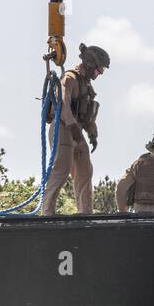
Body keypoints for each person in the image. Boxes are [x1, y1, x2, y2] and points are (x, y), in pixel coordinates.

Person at [40, 43, 110, 215]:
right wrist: (72, 127)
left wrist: (92, 134)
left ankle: (85, 213)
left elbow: (87, 115)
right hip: (63, 128)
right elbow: (62, 103)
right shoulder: (69, 79)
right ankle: (47, 211)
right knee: (61, 170)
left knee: (85, 171)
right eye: (99, 70)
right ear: (90, 64)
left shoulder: (87, 86)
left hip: (76, 131)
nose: (99, 74)